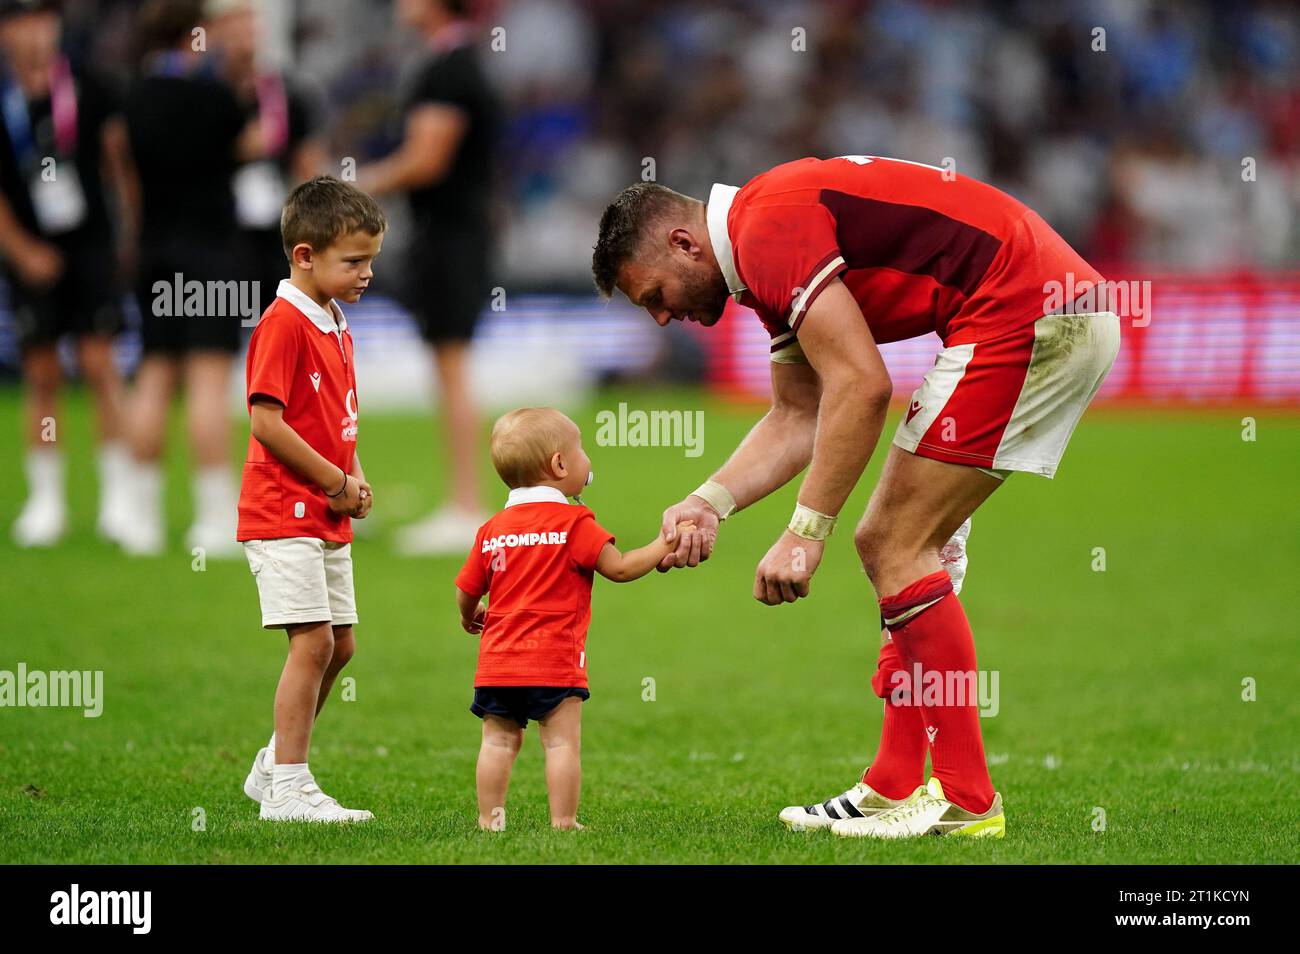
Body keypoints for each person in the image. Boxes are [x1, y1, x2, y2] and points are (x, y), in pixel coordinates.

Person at [591, 155, 1122, 839]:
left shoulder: (766, 230)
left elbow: (862, 386)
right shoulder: (759, 240)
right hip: (1040, 304)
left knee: (894, 544)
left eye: (654, 296)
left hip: (1025, 310)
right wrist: (708, 501)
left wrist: (805, 533)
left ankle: (966, 800)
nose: (663, 317)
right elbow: (797, 414)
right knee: (909, 549)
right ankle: (893, 785)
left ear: (684, 244)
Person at [454, 407, 691, 831]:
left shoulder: (491, 529)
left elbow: (467, 589)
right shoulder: (574, 522)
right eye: (580, 449)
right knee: (561, 743)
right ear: (560, 465)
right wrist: (664, 543)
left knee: (498, 741)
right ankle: (563, 821)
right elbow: (620, 568)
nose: (586, 457)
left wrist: (470, 615)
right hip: (554, 660)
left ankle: (490, 820)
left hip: (498, 662)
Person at [237, 175, 385, 823]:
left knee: (340, 645)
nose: (366, 273)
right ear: (304, 255)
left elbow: (335, 417)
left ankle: (274, 765)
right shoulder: (283, 325)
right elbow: (267, 423)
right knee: (313, 643)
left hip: (324, 509)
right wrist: (333, 480)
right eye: (353, 261)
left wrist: (353, 476)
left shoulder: (335, 322)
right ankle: (289, 789)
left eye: (370, 260)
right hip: (283, 510)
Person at [119, 0, 263, 557]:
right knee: (207, 382)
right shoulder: (216, 96)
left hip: (156, 252)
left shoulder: (134, 96)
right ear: (194, 35)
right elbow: (253, 144)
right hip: (212, 255)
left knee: (155, 375)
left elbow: (126, 170)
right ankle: (212, 516)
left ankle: (140, 517)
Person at [357, 0, 499, 555]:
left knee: (451, 366)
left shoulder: (448, 70)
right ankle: (464, 502)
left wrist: (351, 187)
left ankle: (466, 505)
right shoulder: (463, 62)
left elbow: (426, 160)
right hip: (459, 236)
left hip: (450, 239)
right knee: (450, 367)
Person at [0, 0, 136, 546]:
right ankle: (46, 501)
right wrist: (22, 251)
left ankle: (119, 499)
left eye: (45, 20)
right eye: (25, 22)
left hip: (92, 249)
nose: (37, 33)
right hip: (28, 250)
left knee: (101, 364)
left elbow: (117, 164)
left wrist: (128, 236)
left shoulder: (90, 85)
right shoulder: (5, 97)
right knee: (41, 373)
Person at [207, 0, 327, 317]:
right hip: (219, 231)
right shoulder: (205, 92)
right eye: (234, 24)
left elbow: (308, 161)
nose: (244, 33)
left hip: (275, 230)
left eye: (250, 23)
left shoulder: (287, 90)